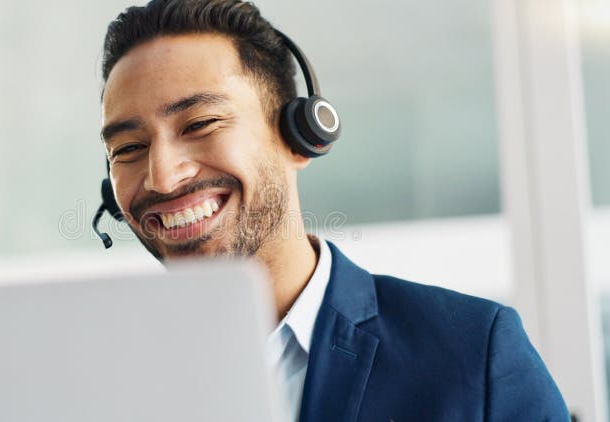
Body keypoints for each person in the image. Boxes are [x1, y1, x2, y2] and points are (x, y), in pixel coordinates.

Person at [94, 0, 570, 420]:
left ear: (300, 138)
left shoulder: (473, 355)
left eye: (200, 123)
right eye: (129, 148)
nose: (161, 176)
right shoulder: (99, 376)